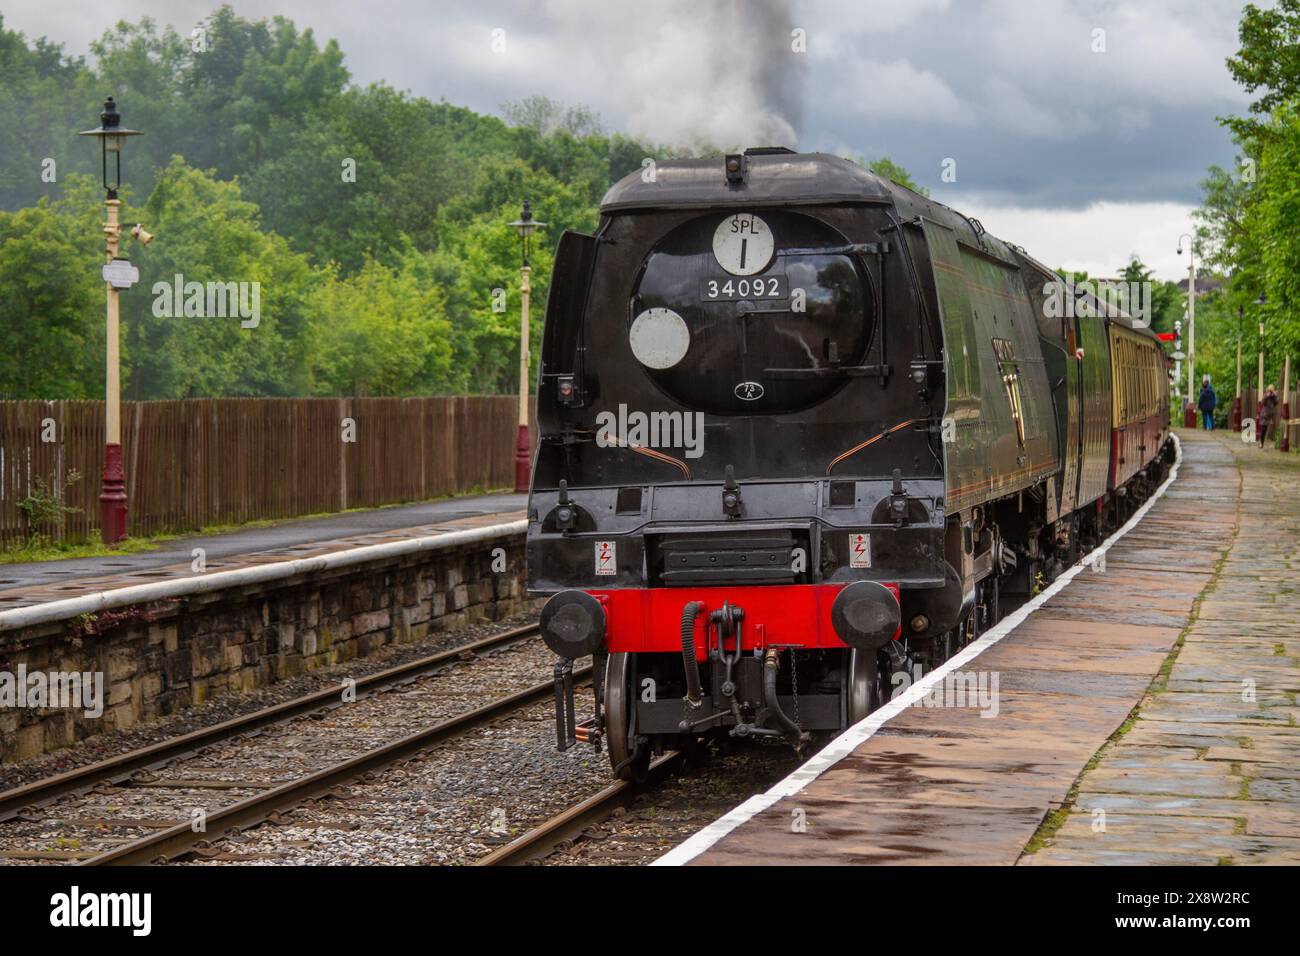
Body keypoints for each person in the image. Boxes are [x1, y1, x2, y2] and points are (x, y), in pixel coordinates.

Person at [1259, 384, 1278, 449]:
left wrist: (1274, 396)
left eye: (1271, 391)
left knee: (1271, 429)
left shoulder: (1273, 397)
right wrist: (1267, 396)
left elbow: (1276, 403)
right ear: (1268, 390)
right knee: (1263, 430)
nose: (1270, 392)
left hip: (1271, 415)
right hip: (1265, 415)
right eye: (1270, 390)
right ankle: (1261, 443)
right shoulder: (1265, 395)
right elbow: (1262, 402)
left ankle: (1274, 442)